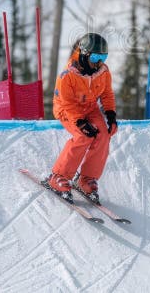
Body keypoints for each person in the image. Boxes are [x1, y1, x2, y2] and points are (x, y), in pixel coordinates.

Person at [46, 33, 118, 203]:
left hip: (90, 108)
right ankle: (58, 176)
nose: (99, 62)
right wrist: (80, 122)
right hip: (67, 109)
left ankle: (86, 179)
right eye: (95, 57)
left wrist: (111, 115)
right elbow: (68, 104)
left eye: (103, 57)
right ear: (84, 54)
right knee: (83, 136)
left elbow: (107, 94)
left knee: (102, 136)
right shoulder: (67, 76)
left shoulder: (103, 72)